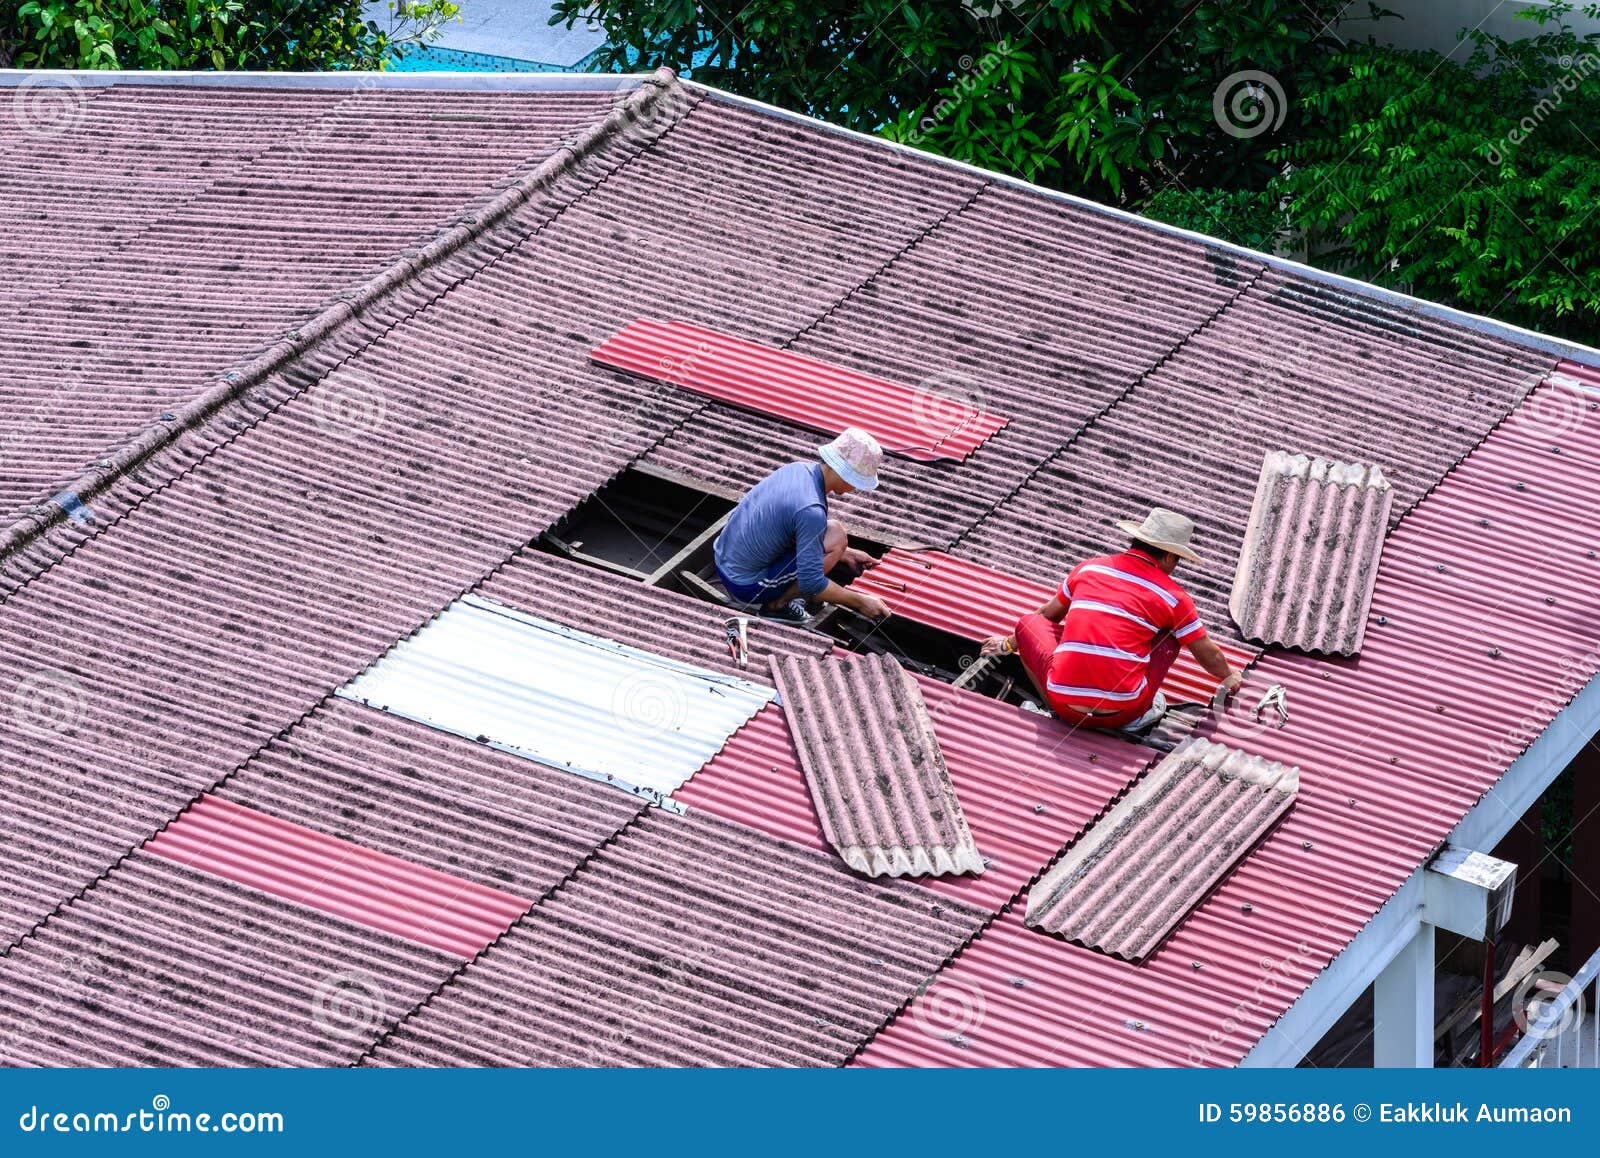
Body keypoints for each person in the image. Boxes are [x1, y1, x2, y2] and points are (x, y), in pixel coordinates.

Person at [981, 507, 1243, 733]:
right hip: (1125, 712)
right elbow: (1207, 653)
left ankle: (1055, 712)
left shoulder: (1089, 568)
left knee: (1029, 622)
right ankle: (1142, 714)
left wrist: (1007, 644)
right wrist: (1230, 677)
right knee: (1173, 633)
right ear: (1169, 556)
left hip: (1065, 706)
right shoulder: (1174, 597)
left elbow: (1048, 617)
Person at [712, 428, 891, 623]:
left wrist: (845, 553)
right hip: (745, 585)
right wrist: (860, 601)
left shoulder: (797, 469)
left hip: (722, 559)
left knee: (835, 535)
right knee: (836, 535)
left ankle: (780, 593)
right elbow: (811, 582)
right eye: (856, 482)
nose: (855, 488)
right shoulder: (811, 509)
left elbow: (789, 527)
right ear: (844, 473)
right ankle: (777, 606)